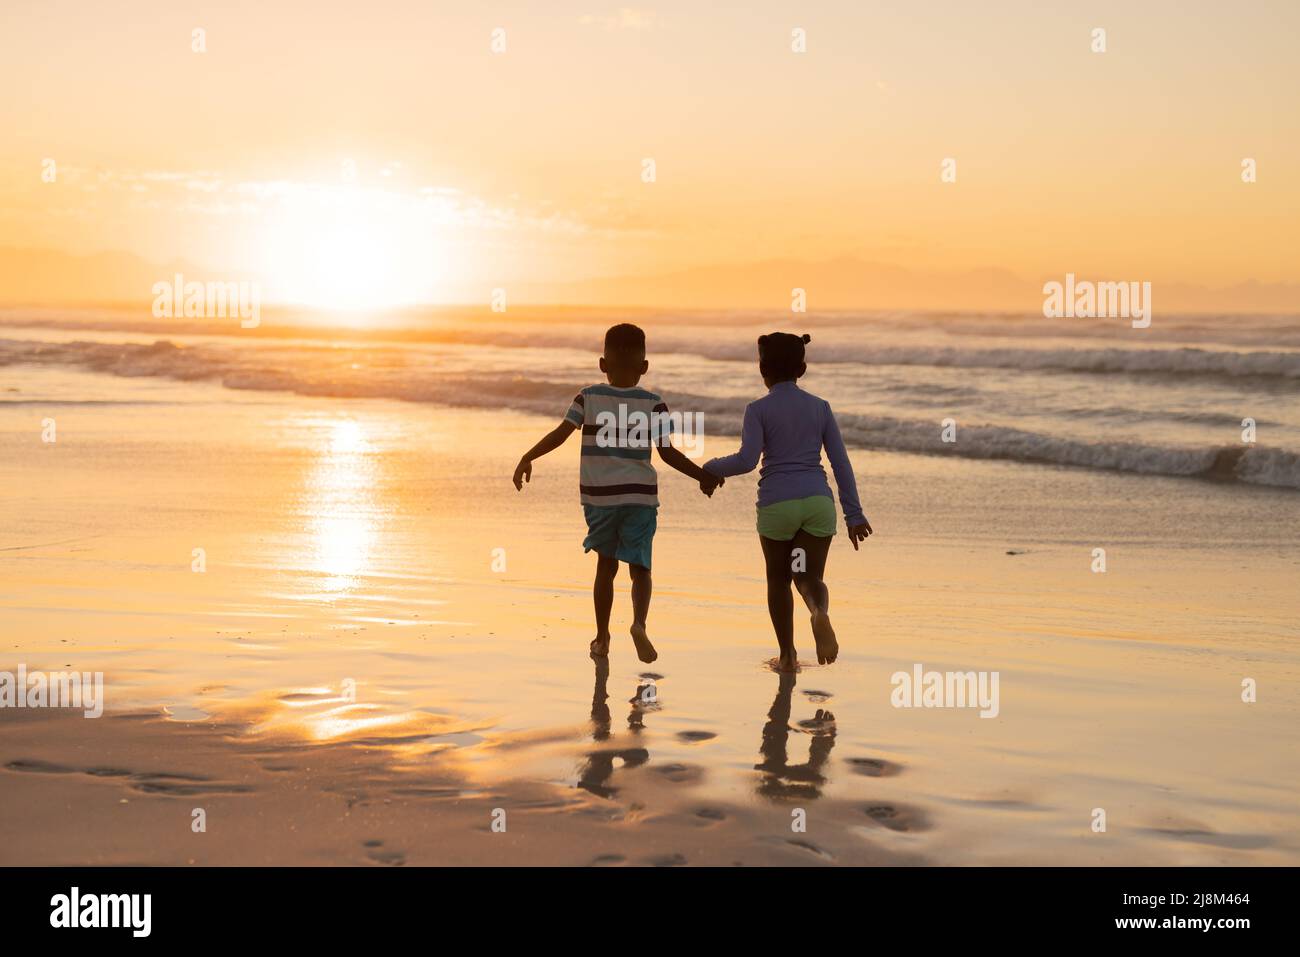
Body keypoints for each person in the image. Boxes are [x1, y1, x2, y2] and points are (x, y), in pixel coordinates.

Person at [512, 323, 719, 663]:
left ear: (602, 364)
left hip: (600, 498)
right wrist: (702, 476)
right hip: (640, 498)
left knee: (605, 567)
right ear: (645, 366)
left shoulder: (588, 397)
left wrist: (528, 456)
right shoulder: (655, 404)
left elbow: (562, 433)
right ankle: (638, 624)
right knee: (640, 568)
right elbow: (667, 453)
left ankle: (602, 637)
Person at [702, 333, 872, 672]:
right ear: (803, 369)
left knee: (778, 581)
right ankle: (819, 612)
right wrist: (854, 513)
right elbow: (841, 463)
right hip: (817, 504)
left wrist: (710, 469)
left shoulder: (757, 410)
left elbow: (747, 460)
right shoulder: (820, 407)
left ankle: (788, 655)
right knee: (807, 577)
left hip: (777, 505)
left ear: (762, 369)